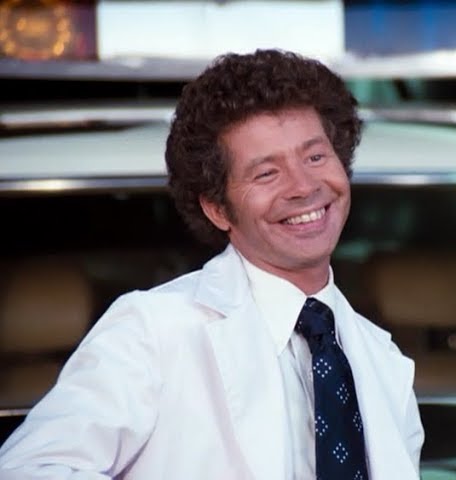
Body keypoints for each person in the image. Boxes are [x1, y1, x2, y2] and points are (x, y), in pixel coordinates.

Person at [0, 49, 424, 479]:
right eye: (266, 173)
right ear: (218, 209)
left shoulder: (382, 360)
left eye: (315, 157)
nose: (304, 186)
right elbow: (29, 469)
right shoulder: (151, 332)